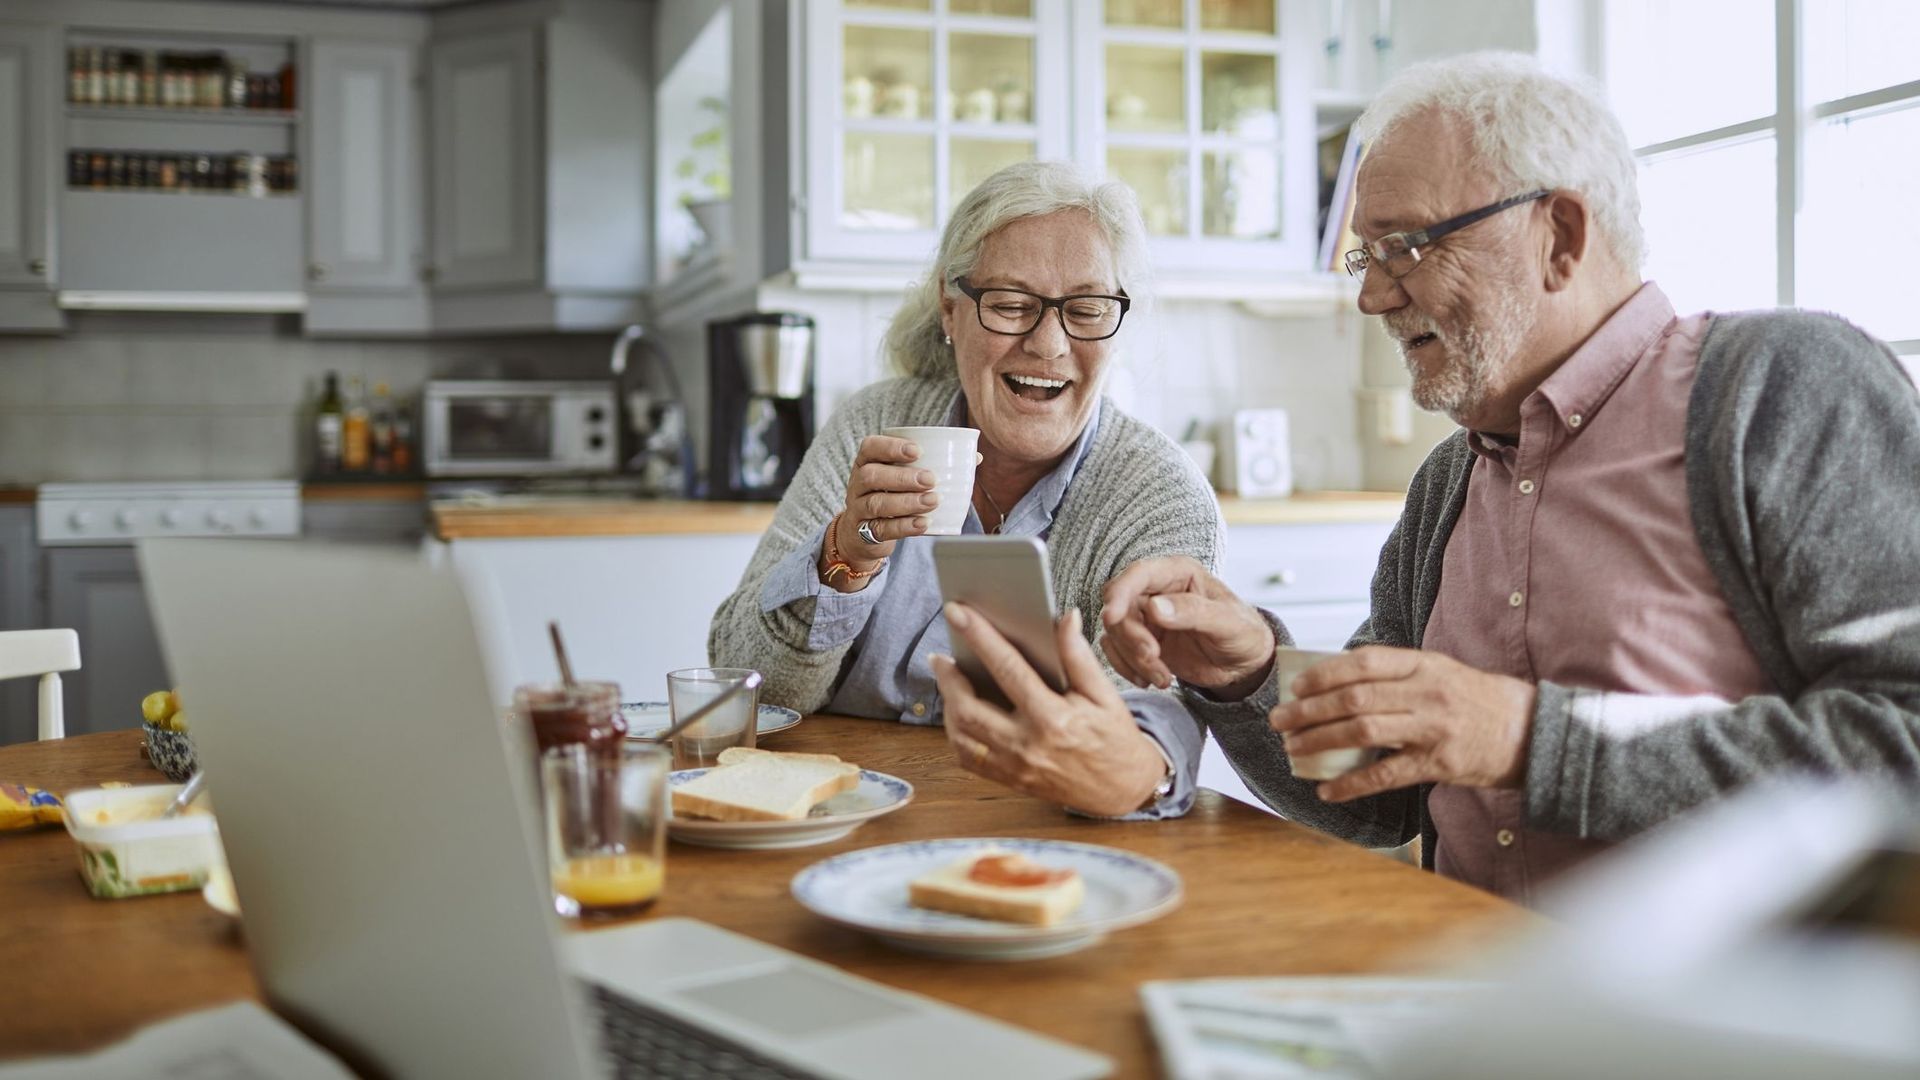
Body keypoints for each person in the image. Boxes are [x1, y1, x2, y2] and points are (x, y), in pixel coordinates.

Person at [1076, 52, 1920, 903]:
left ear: (1560, 236)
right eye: (1366, 257)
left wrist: (1527, 741)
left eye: (1405, 246)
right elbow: (1384, 800)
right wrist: (1248, 671)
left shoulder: (1782, 388)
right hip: (1472, 994)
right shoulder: (1449, 481)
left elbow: (1904, 748)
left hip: (1725, 1021)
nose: (1372, 298)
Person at [709, 161, 1221, 819]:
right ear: (952, 312)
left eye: (1087, 309)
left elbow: (1135, 743)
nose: (1048, 344)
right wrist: (845, 557)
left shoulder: (1159, 497)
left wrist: (1137, 762)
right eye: (1011, 305)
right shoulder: (874, 427)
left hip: (1030, 838)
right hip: (830, 816)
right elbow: (746, 687)